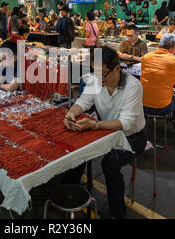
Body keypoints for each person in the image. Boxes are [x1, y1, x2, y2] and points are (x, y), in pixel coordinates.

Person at [62, 46, 147, 219]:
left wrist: (94, 125)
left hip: (133, 136)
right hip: (106, 130)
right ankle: (67, 194)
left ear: (117, 68)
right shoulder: (96, 79)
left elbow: (126, 122)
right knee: (78, 149)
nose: (98, 78)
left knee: (110, 163)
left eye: (103, 74)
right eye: (95, 72)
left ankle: (117, 214)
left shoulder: (133, 86)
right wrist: (71, 113)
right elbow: (84, 101)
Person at [141, 33, 175, 139]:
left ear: (159, 45)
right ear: (173, 48)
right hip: (161, 107)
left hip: (141, 104)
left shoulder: (146, 57)